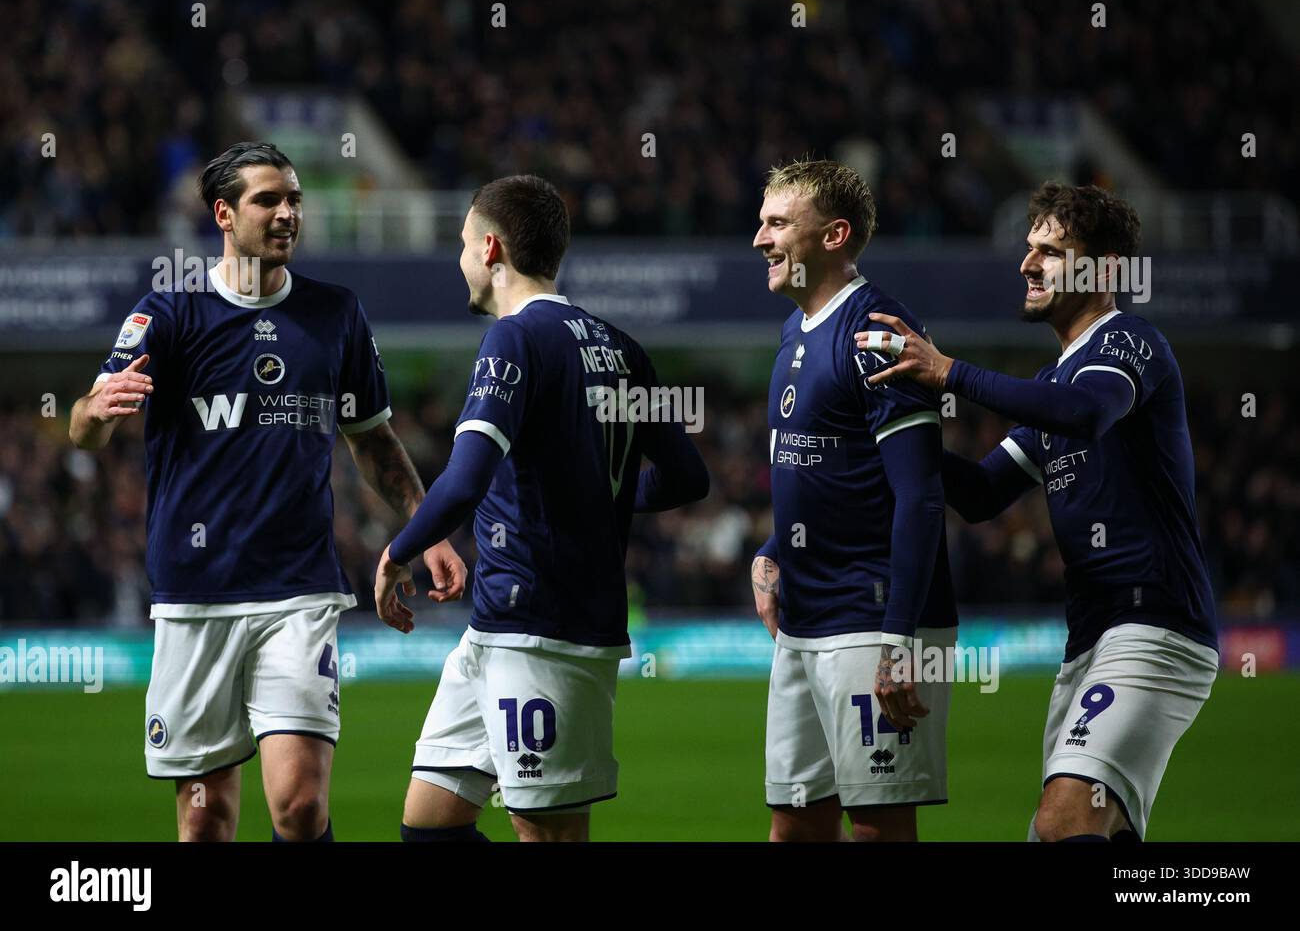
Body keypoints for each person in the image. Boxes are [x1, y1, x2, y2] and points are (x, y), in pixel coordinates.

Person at [68, 141, 466, 841]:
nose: (288, 213)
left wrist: (426, 526)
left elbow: (372, 441)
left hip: (298, 589)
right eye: (268, 200)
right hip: (194, 594)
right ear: (224, 213)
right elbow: (85, 428)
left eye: (295, 200)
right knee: (207, 818)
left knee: (301, 805)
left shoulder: (335, 314)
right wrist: (92, 415)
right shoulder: (170, 312)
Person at [859, 182, 1218, 841]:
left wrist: (948, 373)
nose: (1027, 264)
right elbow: (982, 494)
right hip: (1090, 638)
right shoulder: (1055, 382)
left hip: (1155, 625)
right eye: (1030, 249)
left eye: (1051, 252)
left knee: (1062, 822)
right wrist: (898, 430)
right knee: (1085, 830)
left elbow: (1084, 416)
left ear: (1105, 269)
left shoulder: (1129, 344)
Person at [379, 175, 709, 842]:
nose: (461, 260)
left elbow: (466, 480)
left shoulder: (515, 341)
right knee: (429, 827)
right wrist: (604, 496)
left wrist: (397, 551)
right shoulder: (623, 350)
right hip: (497, 629)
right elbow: (688, 477)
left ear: (492, 248)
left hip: (546, 634)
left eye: (465, 243)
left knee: (548, 836)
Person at [751, 159, 957, 842]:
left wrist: (898, 643)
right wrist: (774, 551)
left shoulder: (876, 332)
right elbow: (833, 467)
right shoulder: (795, 332)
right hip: (807, 619)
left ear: (835, 235)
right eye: (761, 222)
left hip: (872, 624)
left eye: (778, 223)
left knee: (875, 828)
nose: (760, 239)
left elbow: (921, 494)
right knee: (795, 826)